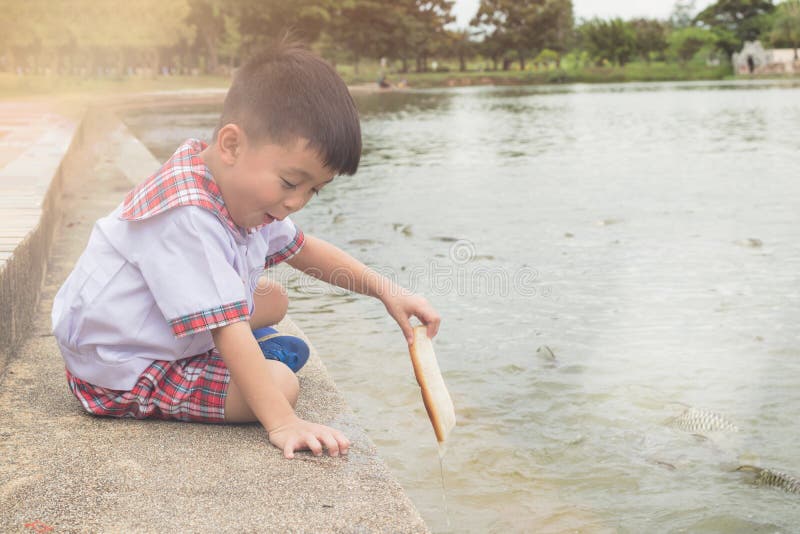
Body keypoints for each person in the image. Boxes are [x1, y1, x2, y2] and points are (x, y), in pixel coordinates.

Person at [51, 39, 441, 460]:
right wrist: (284, 423)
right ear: (232, 145)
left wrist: (387, 291)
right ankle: (257, 363)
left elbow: (304, 249)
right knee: (282, 384)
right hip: (121, 368)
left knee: (275, 298)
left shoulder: (227, 181)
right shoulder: (188, 218)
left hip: (144, 321)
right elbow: (227, 327)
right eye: (291, 183)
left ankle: (249, 357)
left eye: (314, 190)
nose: (296, 202)